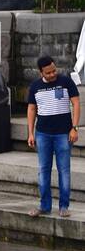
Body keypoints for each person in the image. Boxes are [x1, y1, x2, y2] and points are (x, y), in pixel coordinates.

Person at [28, 55, 80, 218]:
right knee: (43, 170)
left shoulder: (66, 82)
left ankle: (64, 206)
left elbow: (76, 103)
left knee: (64, 171)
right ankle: (44, 206)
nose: (52, 74)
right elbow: (31, 109)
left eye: (53, 71)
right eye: (48, 73)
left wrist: (74, 128)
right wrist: (30, 133)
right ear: (41, 72)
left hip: (63, 134)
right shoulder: (35, 87)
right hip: (42, 134)